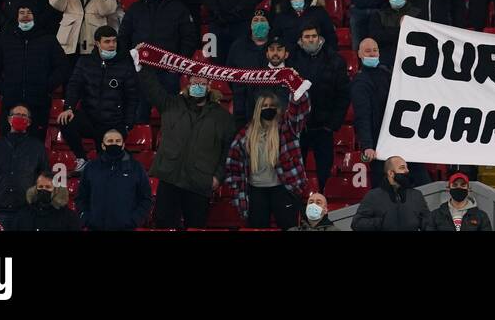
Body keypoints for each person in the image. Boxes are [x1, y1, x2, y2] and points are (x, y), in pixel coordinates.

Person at [134, 55, 233, 230]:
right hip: (170, 178)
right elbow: (151, 87)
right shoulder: (171, 104)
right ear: (188, 83)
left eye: (202, 82)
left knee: (196, 227)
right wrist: (142, 63)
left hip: (199, 182)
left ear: (209, 85)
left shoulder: (222, 117)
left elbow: (228, 152)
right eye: (194, 81)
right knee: (163, 226)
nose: (198, 85)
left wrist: (218, 176)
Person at [223, 88, 312, 230]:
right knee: (257, 228)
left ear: (278, 108)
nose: (268, 109)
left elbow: (300, 111)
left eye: (272, 106)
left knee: (290, 227)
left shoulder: (287, 128)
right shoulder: (246, 133)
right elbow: (232, 161)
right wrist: (236, 185)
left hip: (282, 189)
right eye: (264, 106)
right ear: (258, 109)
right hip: (256, 191)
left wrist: (298, 89)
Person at [58, 27, 137, 173]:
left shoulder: (125, 65)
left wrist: (127, 125)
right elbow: (74, 85)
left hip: (112, 123)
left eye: (114, 41)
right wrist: (68, 107)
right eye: (107, 41)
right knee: (65, 120)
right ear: (97, 43)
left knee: (108, 169)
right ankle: (82, 159)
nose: (112, 45)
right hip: (89, 119)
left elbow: (132, 97)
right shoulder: (85, 62)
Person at [0, 6, 65, 141]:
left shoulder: (49, 40)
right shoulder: (6, 40)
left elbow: (63, 68)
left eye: (29, 12)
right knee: (7, 148)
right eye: (21, 13)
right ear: (16, 16)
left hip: (38, 105)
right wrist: (4, 89)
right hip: (10, 103)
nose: (25, 16)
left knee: (35, 147)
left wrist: (46, 87)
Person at [288, 23, 350, 192]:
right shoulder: (290, 60)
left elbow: (344, 95)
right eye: (307, 37)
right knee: (293, 175)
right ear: (301, 39)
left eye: (313, 36)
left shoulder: (335, 60)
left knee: (325, 176)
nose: (311, 40)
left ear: (319, 38)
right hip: (298, 129)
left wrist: (332, 125)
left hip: (324, 128)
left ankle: (323, 207)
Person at [0, 103, 48, 230]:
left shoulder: (38, 147)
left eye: (24, 115)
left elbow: (44, 175)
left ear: (29, 122)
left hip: (26, 210)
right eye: (17, 115)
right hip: (0, 209)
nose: (20, 117)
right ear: (9, 119)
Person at [76, 129, 153, 231]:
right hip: (95, 227)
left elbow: (146, 199)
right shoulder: (91, 167)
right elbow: (81, 197)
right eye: (110, 141)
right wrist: (86, 218)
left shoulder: (136, 168)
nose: (114, 144)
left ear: (123, 145)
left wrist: (134, 220)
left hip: (126, 228)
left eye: (117, 141)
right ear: (103, 145)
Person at [351, 38, 391, 186]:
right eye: (368, 51)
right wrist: (368, 145)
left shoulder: (386, 73)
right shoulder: (360, 82)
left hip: (391, 137)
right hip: (377, 143)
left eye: (375, 50)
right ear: (360, 54)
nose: (372, 54)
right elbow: (362, 116)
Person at [352, 155, 428, 231]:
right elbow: (357, 223)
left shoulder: (417, 195)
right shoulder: (373, 195)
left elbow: (428, 223)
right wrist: (381, 222)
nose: (407, 170)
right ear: (391, 173)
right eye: (402, 167)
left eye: (407, 167)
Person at [9, 173, 80, 232]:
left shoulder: (68, 216)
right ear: (35, 189)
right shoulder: (22, 215)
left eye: (48, 187)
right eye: (40, 186)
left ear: (56, 190)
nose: (43, 190)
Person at [424, 171, 491, 231]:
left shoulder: (481, 216)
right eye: (455, 185)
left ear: (468, 189)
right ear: (448, 189)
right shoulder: (435, 215)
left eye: (463, 185)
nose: (459, 188)